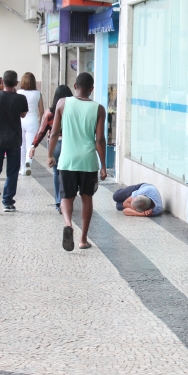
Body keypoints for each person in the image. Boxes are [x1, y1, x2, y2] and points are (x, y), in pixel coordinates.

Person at [48, 73, 106, 251]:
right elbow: (100, 140)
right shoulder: (99, 109)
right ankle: (82, 239)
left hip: (67, 159)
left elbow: (55, 132)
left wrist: (50, 154)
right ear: (91, 89)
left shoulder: (62, 103)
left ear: (75, 86)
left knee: (67, 196)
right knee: (86, 198)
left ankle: (68, 223)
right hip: (88, 161)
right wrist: (103, 165)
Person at [0, 70, 28, 213]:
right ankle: (8, 202)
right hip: (14, 140)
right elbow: (23, 114)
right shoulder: (21, 98)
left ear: (2, 82)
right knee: (12, 172)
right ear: (16, 83)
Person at [29, 85, 73, 213]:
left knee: (56, 173)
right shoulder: (73, 110)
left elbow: (41, 130)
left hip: (56, 145)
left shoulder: (50, 112)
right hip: (70, 145)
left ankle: (59, 201)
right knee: (69, 172)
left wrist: (34, 145)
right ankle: (68, 199)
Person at [17, 72, 44, 176]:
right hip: (32, 121)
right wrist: (40, 120)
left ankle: (22, 168)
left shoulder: (19, 92)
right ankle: (29, 161)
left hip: (21, 120)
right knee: (31, 145)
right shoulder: (38, 93)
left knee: (21, 145)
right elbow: (41, 110)